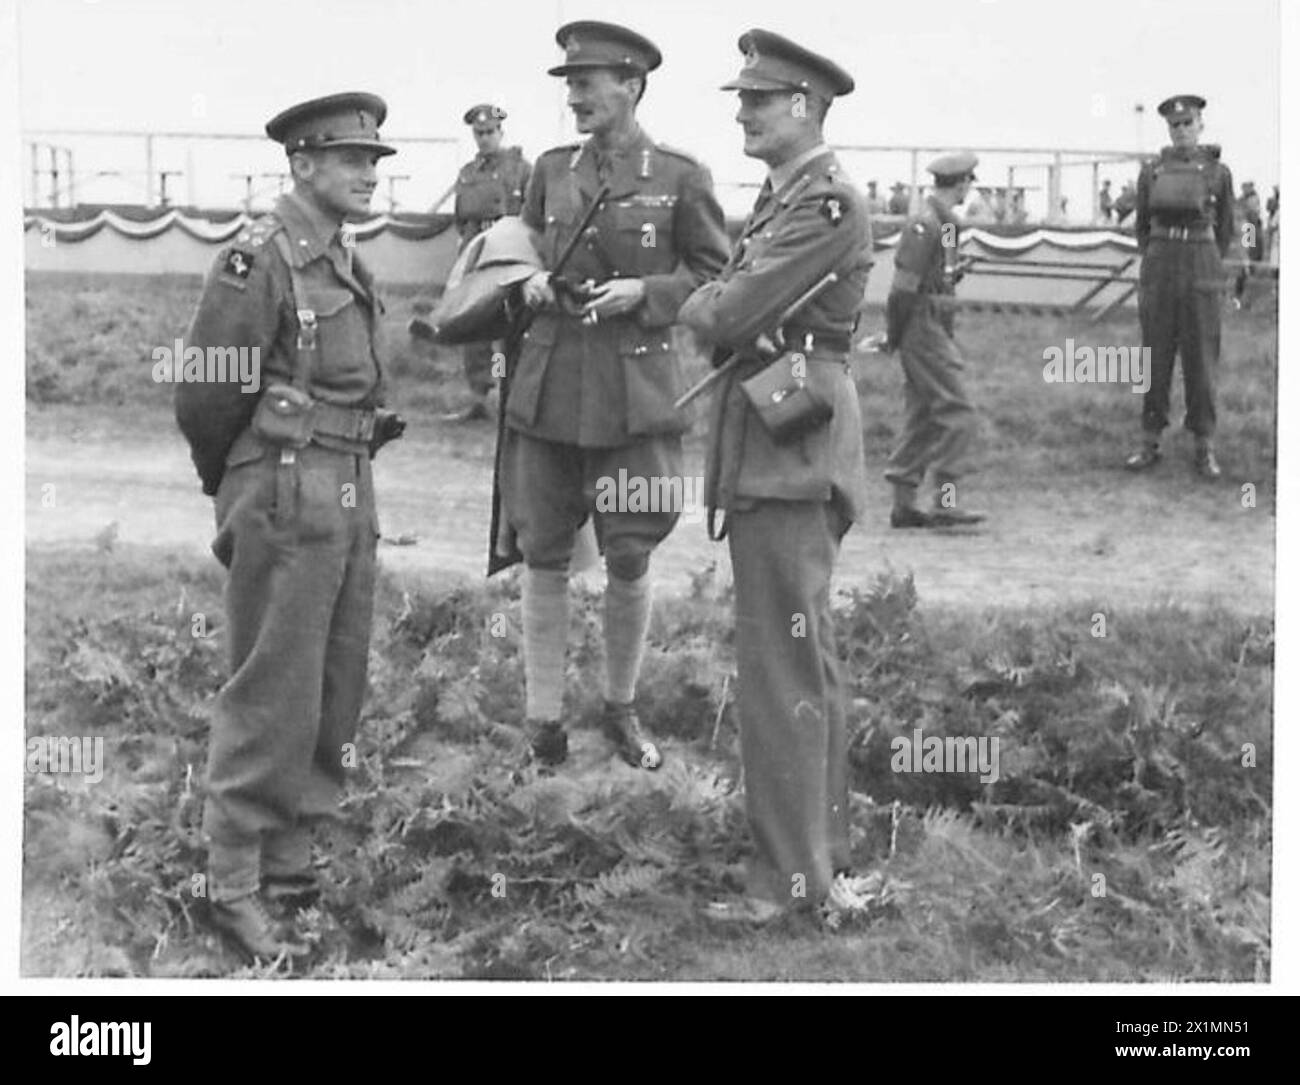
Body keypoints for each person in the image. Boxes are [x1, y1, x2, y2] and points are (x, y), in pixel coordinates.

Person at [175, 93, 404, 960]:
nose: (367, 173)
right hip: (284, 487)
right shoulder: (256, 259)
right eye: (350, 158)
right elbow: (207, 390)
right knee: (272, 684)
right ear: (302, 165)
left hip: (348, 482)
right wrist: (234, 489)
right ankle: (232, 879)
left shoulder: (340, 258)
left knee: (335, 678)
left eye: (374, 160)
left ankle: (293, 857)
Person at [678, 29, 873, 924]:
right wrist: (710, 306)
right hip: (781, 435)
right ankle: (817, 862)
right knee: (805, 659)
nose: (743, 113)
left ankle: (788, 883)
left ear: (803, 106)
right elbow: (733, 303)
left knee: (781, 667)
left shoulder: (823, 202)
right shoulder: (788, 197)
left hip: (790, 447)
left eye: (758, 99)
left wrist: (704, 308)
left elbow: (728, 309)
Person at [504, 21, 729, 769]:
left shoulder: (678, 176)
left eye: (587, 83)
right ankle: (542, 722)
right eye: (569, 84)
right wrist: (527, 280)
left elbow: (714, 274)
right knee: (543, 550)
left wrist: (647, 290)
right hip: (549, 385)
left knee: (629, 553)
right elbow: (522, 247)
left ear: (631, 85)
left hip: (633, 394)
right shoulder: (551, 169)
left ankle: (621, 706)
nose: (574, 98)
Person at [1123, 94, 1235, 479]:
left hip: (1201, 265)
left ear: (1200, 125)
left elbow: (1226, 229)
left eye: (1188, 123)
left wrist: (1204, 261)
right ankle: (1149, 441)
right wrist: (1158, 257)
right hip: (1161, 265)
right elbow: (1141, 226)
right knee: (1155, 356)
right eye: (1175, 125)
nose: (1182, 130)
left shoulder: (1218, 172)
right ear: (1168, 130)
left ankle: (1204, 446)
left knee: (1201, 358)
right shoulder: (1152, 171)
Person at [881, 151, 986, 528]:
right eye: (968, 183)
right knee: (958, 412)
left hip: (933, 320)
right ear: (961, 183)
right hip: (922, 324)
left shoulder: (945, 224)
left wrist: (950, 278)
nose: (969, 189)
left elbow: (934, 274)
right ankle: (946, 502)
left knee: (924, 413)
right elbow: (902, 288)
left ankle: (904, 504)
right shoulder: (925, 224)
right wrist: (895, 334)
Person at [441, 104, 533, 423]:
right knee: (476, 327)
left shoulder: (520, 168)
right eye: (479, 133)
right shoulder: (467, 173)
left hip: (508, 255)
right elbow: (460, 218)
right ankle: (479, 396)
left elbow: (532, 215)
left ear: (501, 133)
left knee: (505, 329)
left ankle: (507, 394)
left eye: (490, 132)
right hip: (475, 254)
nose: (484, 139)